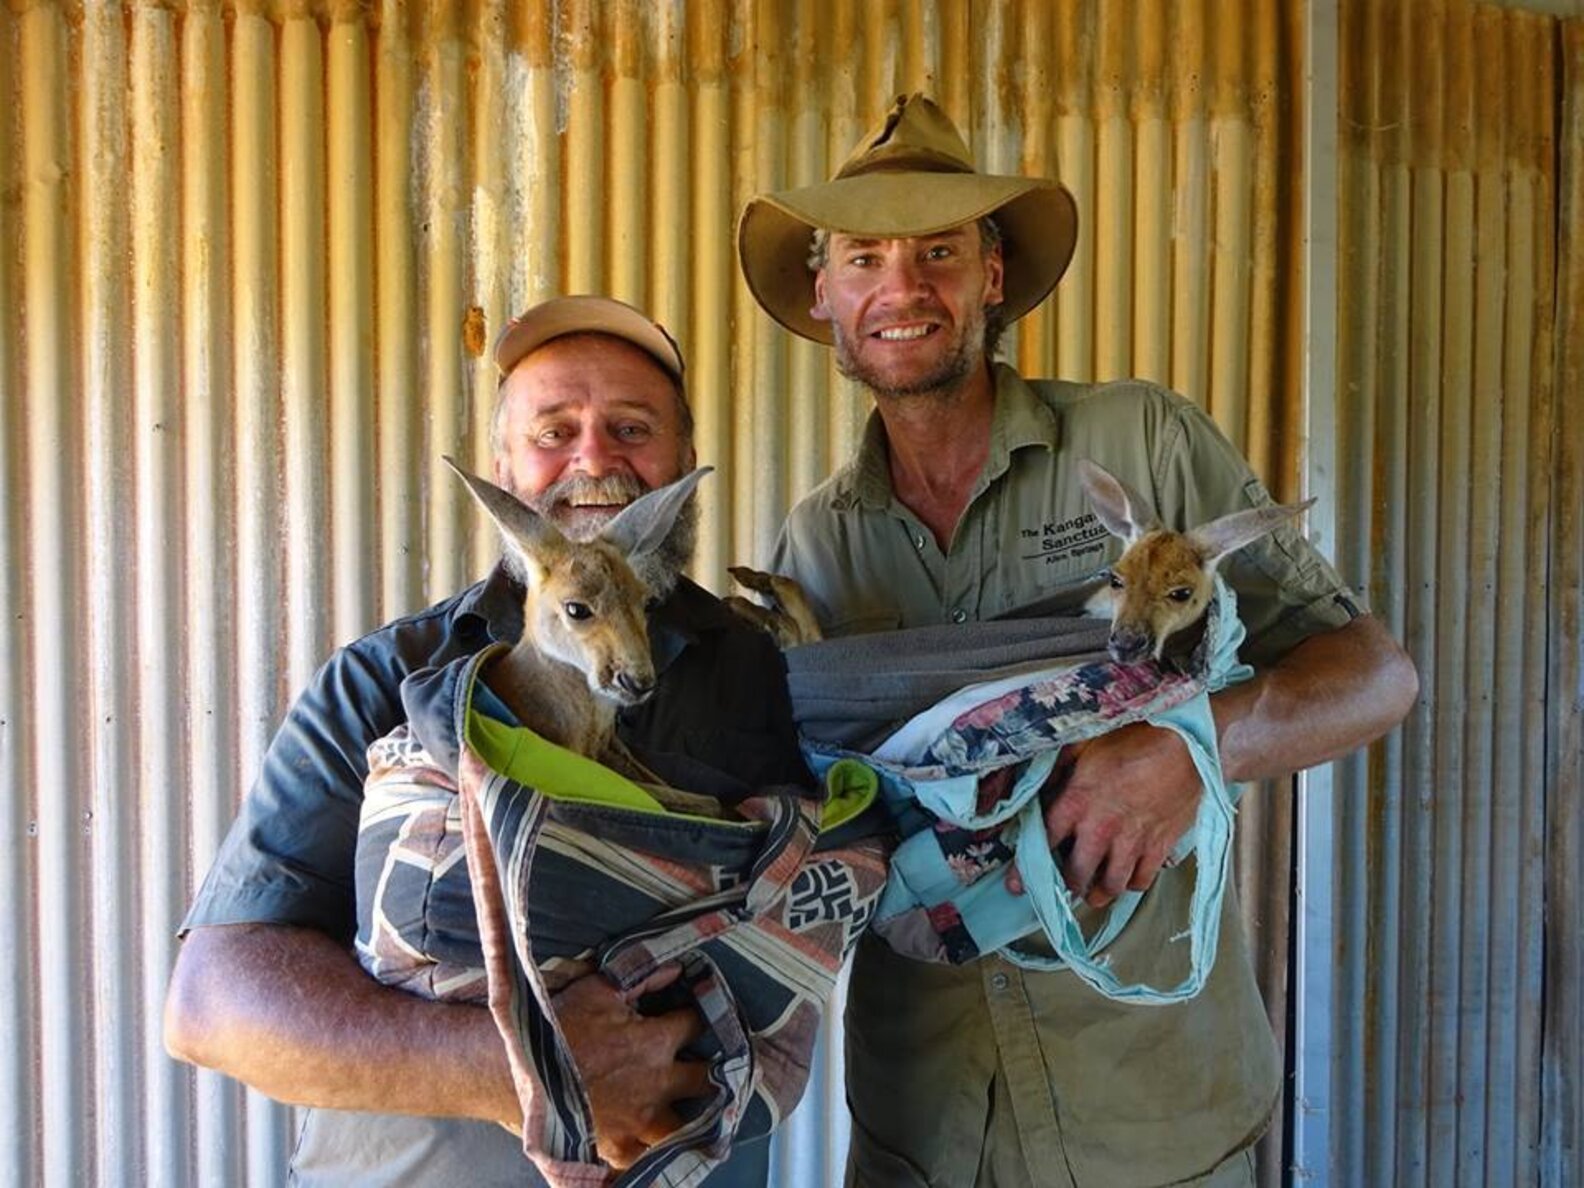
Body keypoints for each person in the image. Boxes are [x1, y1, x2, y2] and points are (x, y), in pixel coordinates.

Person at [737, 94, 1420, 1187]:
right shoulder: (817, 542)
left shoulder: (1140, 439)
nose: (902, 290)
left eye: (941, 253)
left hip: (1150, 1120)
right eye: (863, 258)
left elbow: (1375, 677)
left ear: (993, 277)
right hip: (921, 1126)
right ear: (824, 294)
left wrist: (1186, 752)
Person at [164, 295, 803, 1186]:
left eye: (631, 426)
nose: (594, 458)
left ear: (682, 467)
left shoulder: (761, 676)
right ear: (505, 472)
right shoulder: (389, 679)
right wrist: (530, 1072)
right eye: (553, 432)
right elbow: (212, 1004)